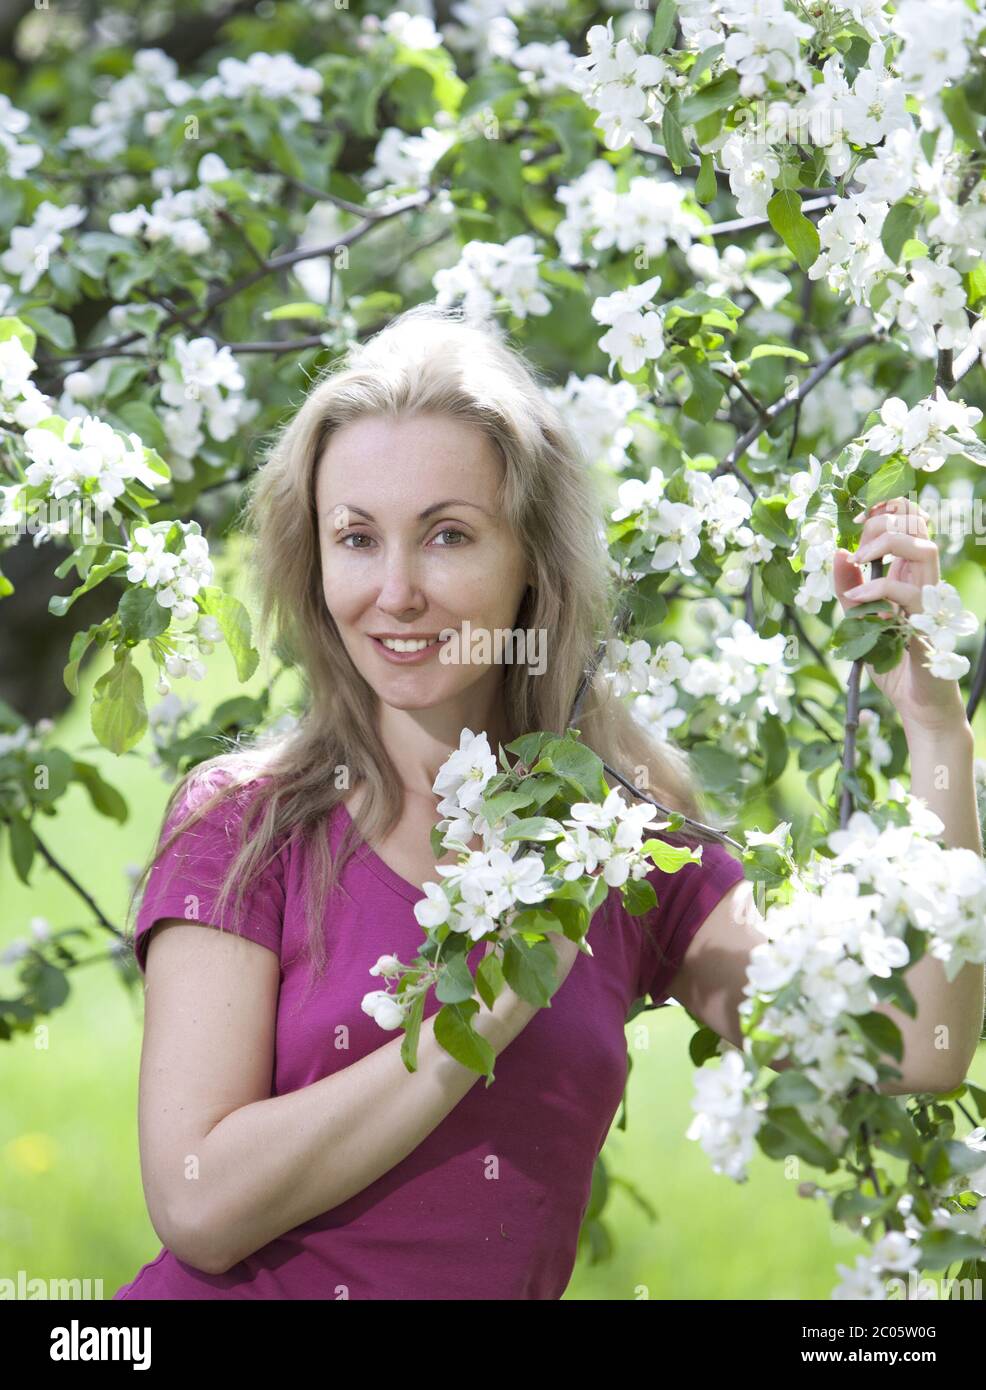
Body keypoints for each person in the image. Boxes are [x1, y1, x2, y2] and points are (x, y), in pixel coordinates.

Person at [112, 303, 756, 1302]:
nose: (396, 591)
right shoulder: (243, 821)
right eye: (357, 539)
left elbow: (911, 1040)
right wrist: (487, 1003)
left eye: (447, 535)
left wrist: (933, 721)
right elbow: (197, 1205)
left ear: (532, 564)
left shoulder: (617, 828)